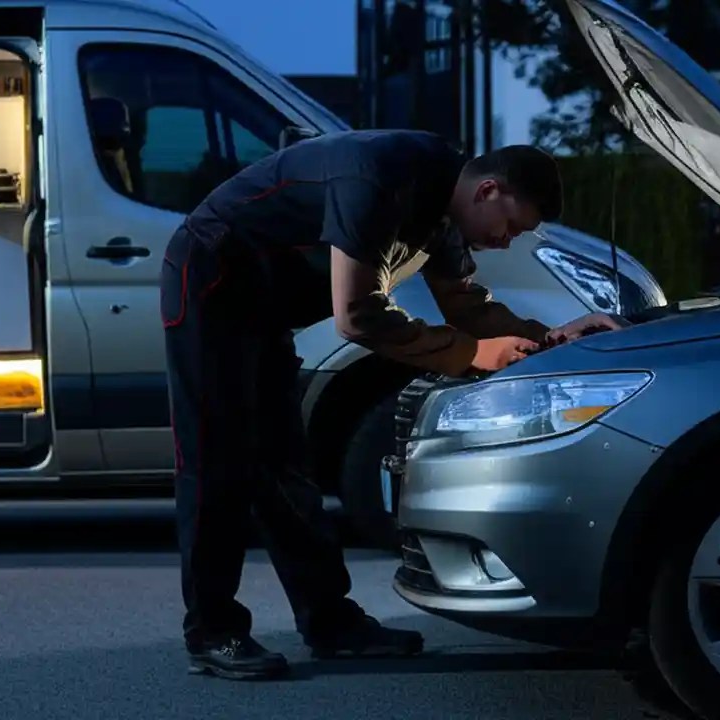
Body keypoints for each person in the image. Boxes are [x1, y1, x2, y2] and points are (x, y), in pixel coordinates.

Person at [160, 129, 623, 681]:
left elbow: (467, 307)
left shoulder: (447, 209)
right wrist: (474, 353)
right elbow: (355, 315)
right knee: (218, 462)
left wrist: (551, 340)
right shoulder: (380, 176)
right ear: (488, 190)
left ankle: (331, 624)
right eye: (511, 228)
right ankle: (212, 632)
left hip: (265, 306)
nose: (505, 243)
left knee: (285, 467)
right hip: (212, 278)